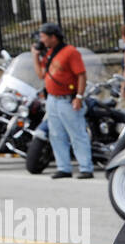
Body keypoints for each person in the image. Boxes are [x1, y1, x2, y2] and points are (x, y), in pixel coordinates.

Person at [33, 22, 92, 180]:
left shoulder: (70, 52)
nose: (42, 39)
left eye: (44, 36)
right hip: (53, 99)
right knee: (56, 134)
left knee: (77, 133)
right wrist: (35, 56)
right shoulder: (50, 53)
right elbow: (41, 75)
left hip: (68, 99)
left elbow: (81, 75)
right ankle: (63, 167)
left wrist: (79, 96)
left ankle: (86, 167)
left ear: (53, 37)